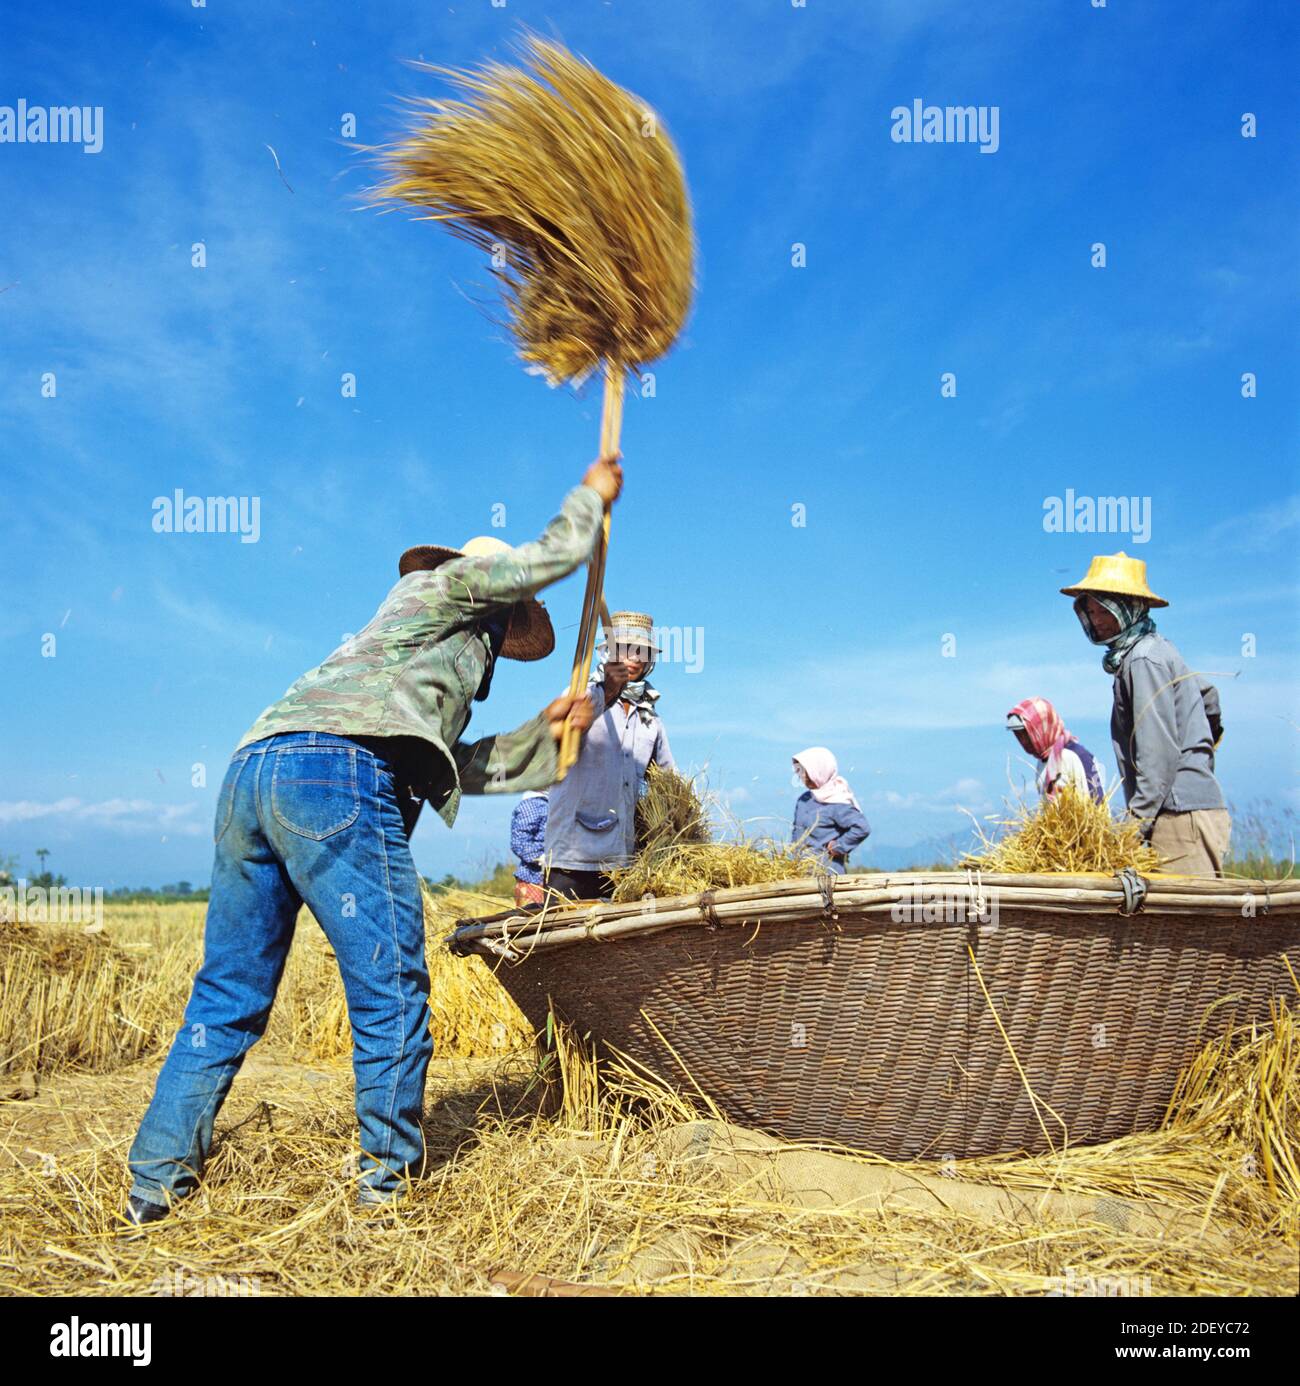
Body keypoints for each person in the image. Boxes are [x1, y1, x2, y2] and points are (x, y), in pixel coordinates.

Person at [124, 455, 624, 1225]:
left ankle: (153, 1183)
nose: (500, 640)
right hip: (334, 772)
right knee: (392, 987)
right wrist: (589, 502)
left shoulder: (403, 655)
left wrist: (547, 732)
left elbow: (452, 766)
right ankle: (384, 1195)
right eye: (509, 614)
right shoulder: (449, 586)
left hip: (253, 773)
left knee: (227, 993)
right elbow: (547, 558)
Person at [1061, 550, 1230, 875]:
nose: (1096, 620)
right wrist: (1198, 753)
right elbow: (1208, 696)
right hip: (1185, 807)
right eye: (1090, 610)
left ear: (1126, 608)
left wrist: (1133, 827)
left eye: (1104, 610)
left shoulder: (1142, 660)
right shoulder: (1155, 649)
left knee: (1187, 924)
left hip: (1179, 815)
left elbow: (1157, 751)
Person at [544, 611, 674, 900]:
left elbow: (669, 785)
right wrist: (610, 690)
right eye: (626, 650)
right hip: (573, 855)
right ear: (609, 653)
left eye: (642, 652)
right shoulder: (583, 695)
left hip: (621, 861)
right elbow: (551, 739)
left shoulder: (650, 719)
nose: (635, 658)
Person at [1005, 697, 1105, 803]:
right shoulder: (1043, 762)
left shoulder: (1076, 756)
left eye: (1025, 733)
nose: (1023, 741)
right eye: (1018, 735)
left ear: (1042, 727)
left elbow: (1096, 804)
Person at [791, 747, 871, 875]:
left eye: (803, 771)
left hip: (827, 873)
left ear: (818, 770)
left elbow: (862, 828)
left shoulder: (837, 801)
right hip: (801, 871)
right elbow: (797, 833)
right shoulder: (804, 800)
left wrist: (839, 846)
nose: (800, 776)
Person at [509, 791, 549, 907]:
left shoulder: (546, 803)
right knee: (533, 918)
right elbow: (519, 842)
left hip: (546, 877)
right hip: (533, 878)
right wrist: (539, 858)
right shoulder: (532, 805)